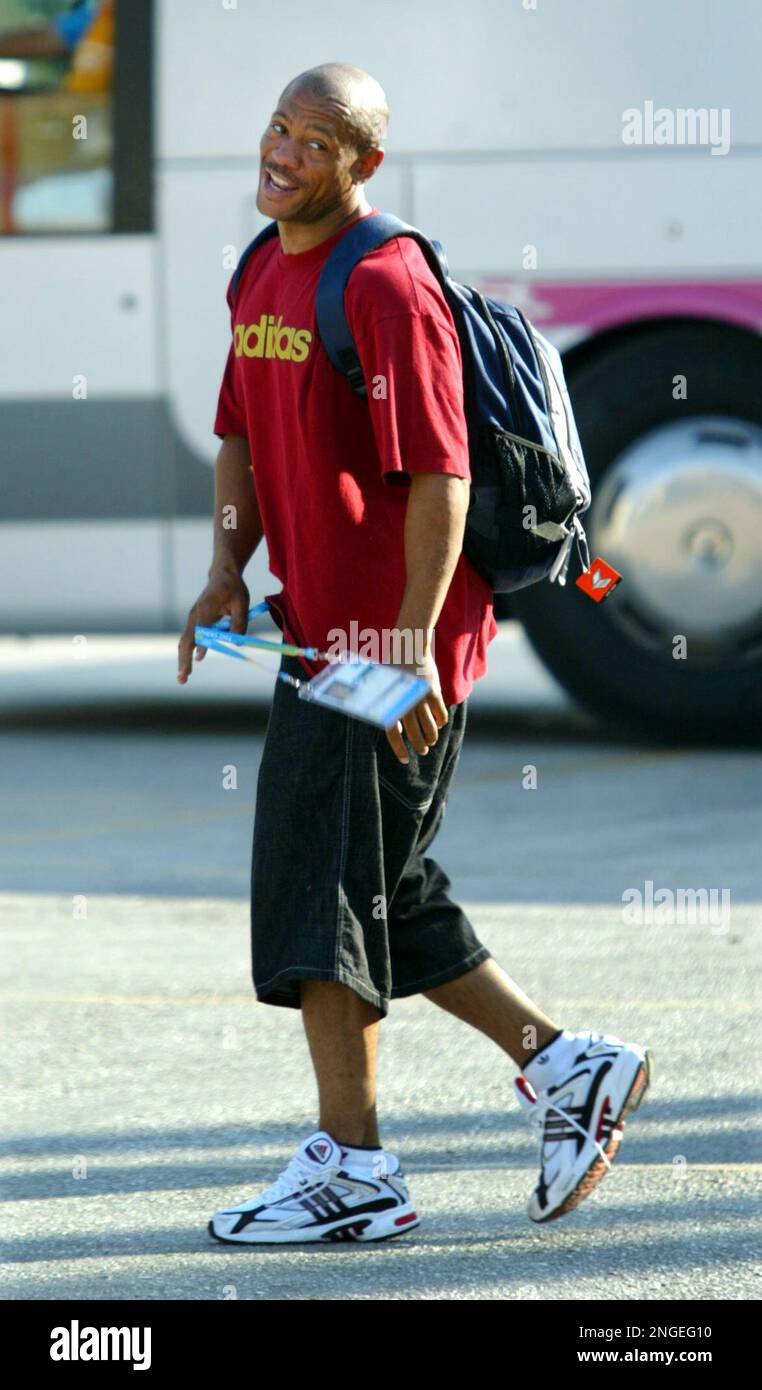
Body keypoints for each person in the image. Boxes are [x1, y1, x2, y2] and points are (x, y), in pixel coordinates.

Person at [178, 61, 651, 1244]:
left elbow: (439, 476)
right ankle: (567, 1065)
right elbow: (240, 431)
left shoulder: (385, 285)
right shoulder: (258, 268)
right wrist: (228, 570)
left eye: (317, 140)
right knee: (374, 888)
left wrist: (409, 645)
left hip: (395, 648)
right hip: (315, 638)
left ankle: (356, 1169)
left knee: (323, 894)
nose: (284, 152)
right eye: (279, 126)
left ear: (364, 165)